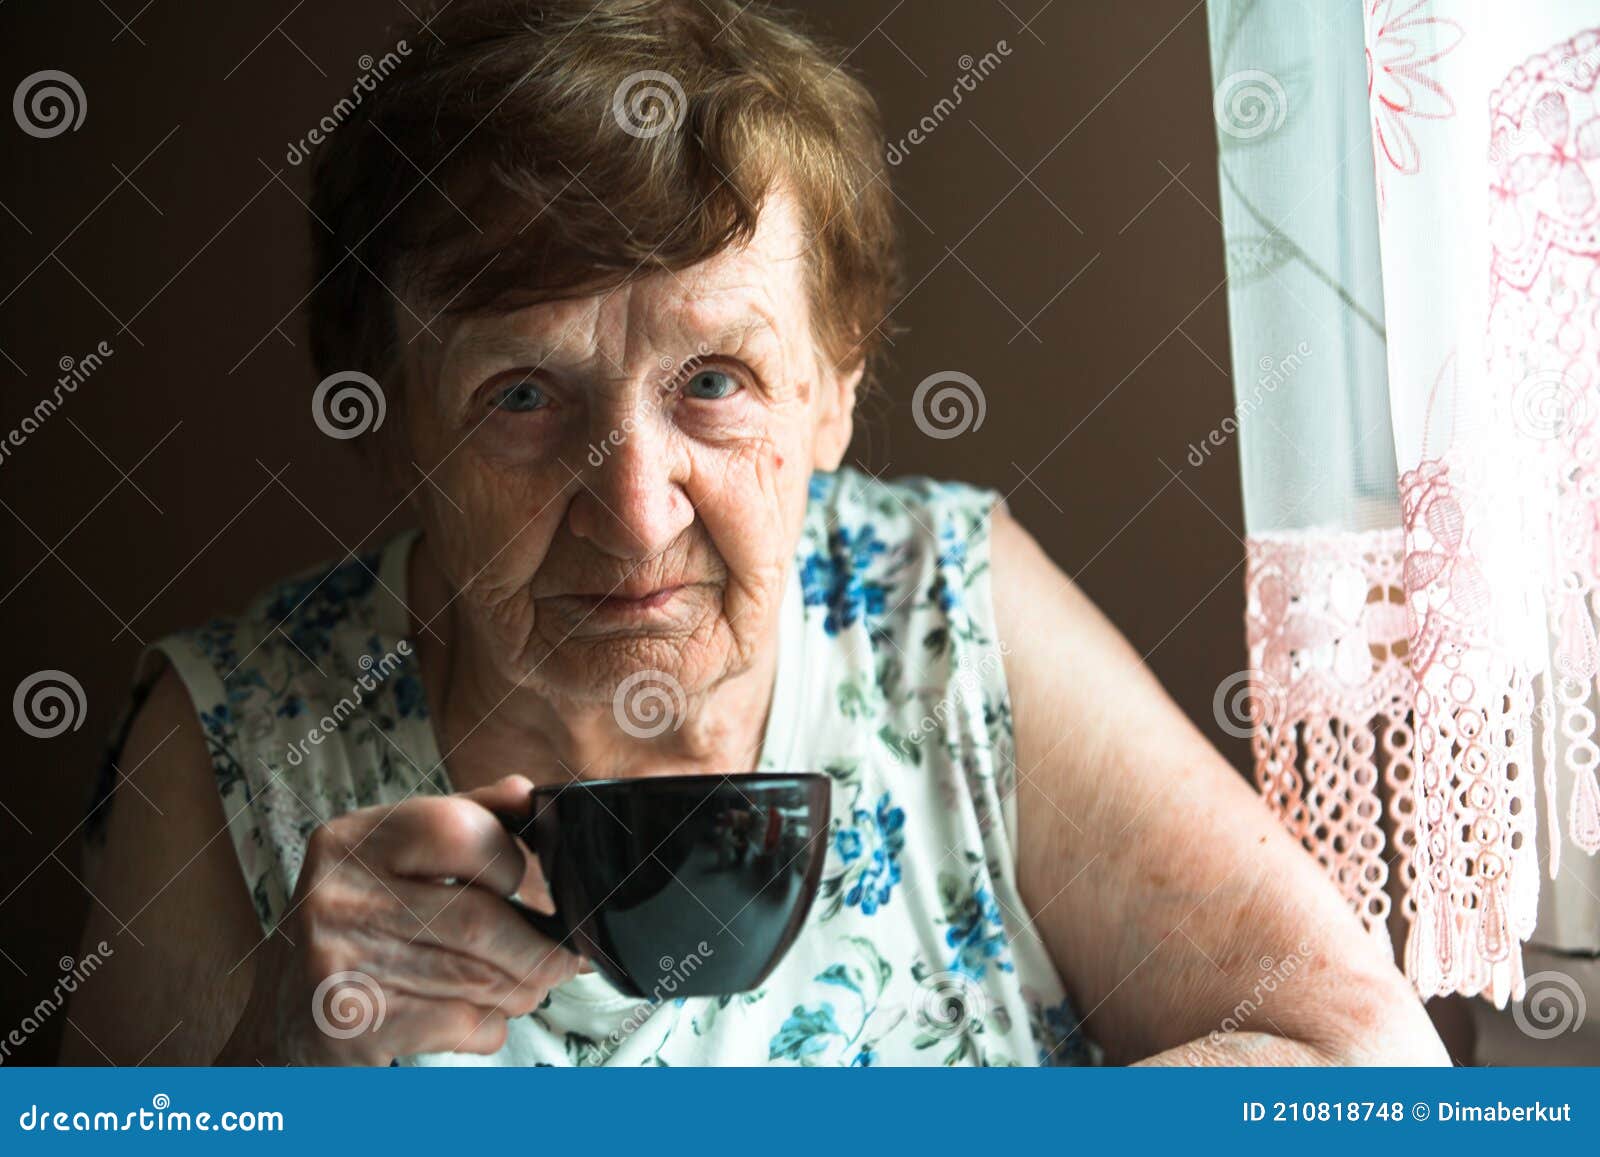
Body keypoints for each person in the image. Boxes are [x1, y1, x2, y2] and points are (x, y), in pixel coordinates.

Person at [64, 0, 1448, 1067]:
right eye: (524, 394)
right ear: (397, 425)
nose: (636, 507)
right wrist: (282, 1068)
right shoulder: (234, 729)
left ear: (836, 392)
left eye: (713, 383)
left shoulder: (937, 606)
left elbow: (1362, 1061)